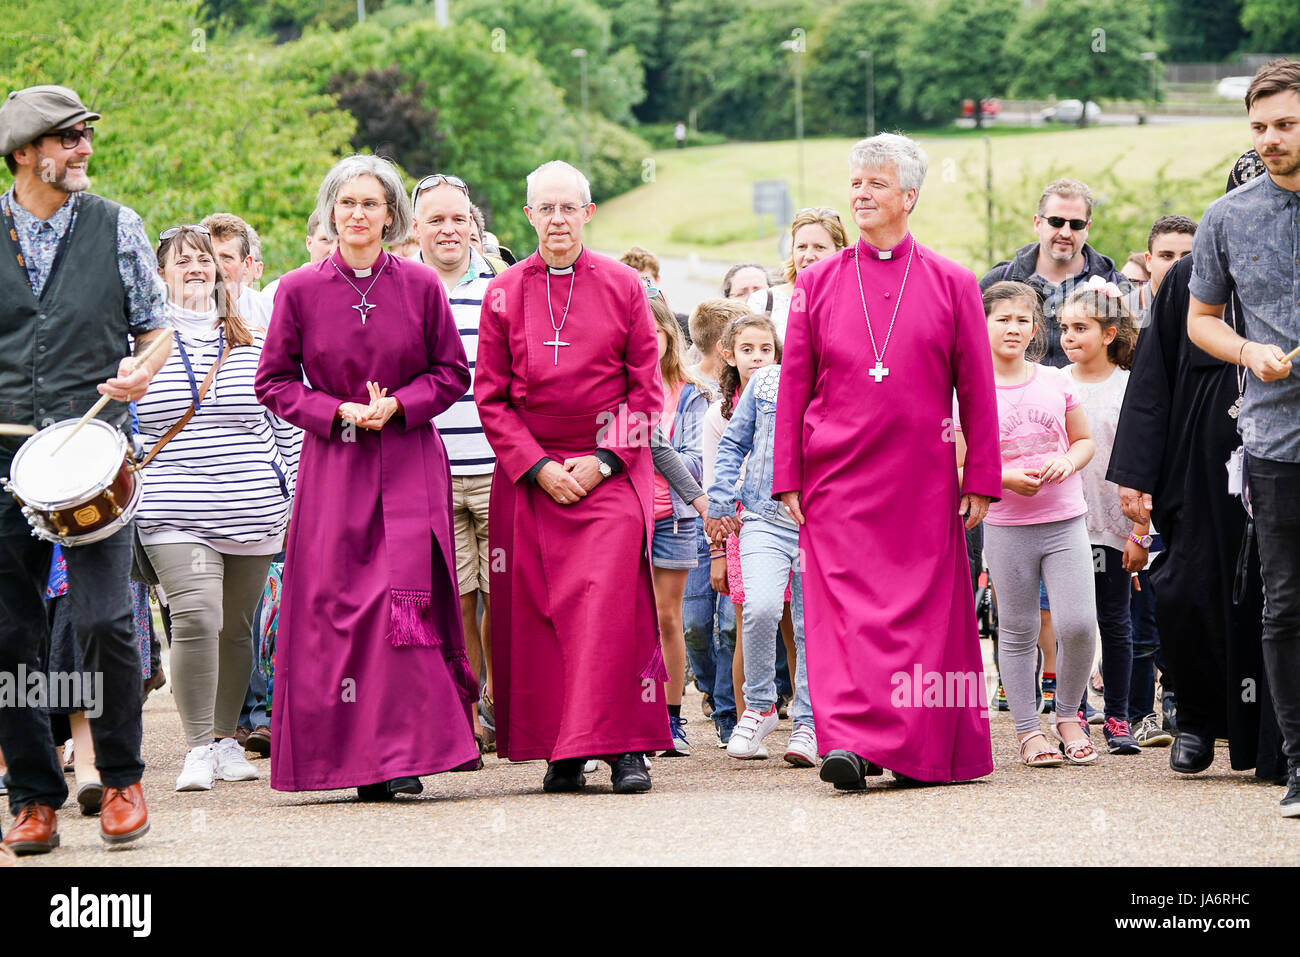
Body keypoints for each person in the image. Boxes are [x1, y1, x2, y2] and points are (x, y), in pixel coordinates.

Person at [774, 134, 1001, 787]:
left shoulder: (953, 282)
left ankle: (912, 746)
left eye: (876, 183)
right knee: (844, 615)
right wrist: (787, 473)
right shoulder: (816, 284)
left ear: (909, 195)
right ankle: (852, 742)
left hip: (922, 482)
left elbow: (976, 389)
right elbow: (794, 387)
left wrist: (980, 474)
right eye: (855, 183)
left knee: (916, 618)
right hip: (837, 478)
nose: (862, 194)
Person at [254, 154, 479, 800]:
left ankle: (400, 755)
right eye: (347, 203)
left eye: (370, 204)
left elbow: (451, 374)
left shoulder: (420, 285)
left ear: (390, 215)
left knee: (400, 606)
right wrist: (336, 410)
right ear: (331, 210)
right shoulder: (299, 289)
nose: (357, 214)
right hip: (336, 465)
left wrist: (400, 404)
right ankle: (349, 758)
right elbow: (272, 382)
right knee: (341, 610)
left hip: (408, 459)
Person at [0, 84, 170, 854]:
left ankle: (124, 778)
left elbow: (158, 329)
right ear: (27, 153)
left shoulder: (117, 225)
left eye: (86, 136)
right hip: (5, 462)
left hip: (96, 453)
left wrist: (141, 371)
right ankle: (35, 795)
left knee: (104, 618)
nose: (84, 150)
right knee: (10, 635)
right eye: (69, 138)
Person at [475, 160, 670, 795]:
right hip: (533, 474)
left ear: (588, 213)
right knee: (540, 611)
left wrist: (604, 460)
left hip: (610, 470)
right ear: (528, 215)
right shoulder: (503, 292)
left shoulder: (623, 286)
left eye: (569, 208)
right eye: (545, 209)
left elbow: (646, 392)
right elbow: (492, 399)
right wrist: (537, 467)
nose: (557, 220)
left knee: (610, 604)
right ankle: (562, 747)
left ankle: (624, 748)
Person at [1110, 151, 1284, 780]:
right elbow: (1152, 379)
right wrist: (1138, 474)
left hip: (1278, 449)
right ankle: (1197, 721)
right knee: (1185, 590)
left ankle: (1266, 737)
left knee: (1271, 597)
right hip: (1197, 462)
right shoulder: (1189, 277)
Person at [135, 224, 300, 792]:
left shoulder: (254, 339)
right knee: (197, 618)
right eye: (181, 262)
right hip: (173, 510)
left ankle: (228, 738)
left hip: (252, 508)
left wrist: (294, 493)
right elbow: (124, 430)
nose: (196, 268)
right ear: (161, 275)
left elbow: (284, 423)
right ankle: (198, 746)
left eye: (203, 259)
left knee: (236, 629)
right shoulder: (139, 348)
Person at [1185, 60, 1300, 814]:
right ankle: (1299, 763)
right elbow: (1200, 321)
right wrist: (1247, 349)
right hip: (1275, 440)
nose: (1271, 140)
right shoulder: (1226, 218)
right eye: (1259, 128)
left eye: (1286, 124)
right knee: (1285, 604)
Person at [963, 282, 1098, 766]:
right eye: (1002, 319)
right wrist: (1001, 477)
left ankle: (1067, 716)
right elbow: (958, 467)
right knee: (1017, 630)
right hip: (1005, 526)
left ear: (1035, 327)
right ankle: (1028, 731)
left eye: (1022, 319)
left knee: (1079, 624)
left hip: (1064, 522)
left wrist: (1069, 461)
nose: (1013, 327)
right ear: (982, 326)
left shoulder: (1057, 380)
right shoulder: (969, 393)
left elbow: (1084, 441)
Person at [411, 171, 498, 752]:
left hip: (499, 467)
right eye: (435, 220)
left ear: (473, 224)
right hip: (433, 470)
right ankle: (467, 707)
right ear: (414, 228)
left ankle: (501, 702)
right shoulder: (403, 289)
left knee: (507, 592)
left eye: (457, 219)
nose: (448, 229)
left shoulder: (503, 288)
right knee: (457, 595)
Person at [706, 354, 817, 767]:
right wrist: (718, 501)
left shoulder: (844, 377)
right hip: (762, 515)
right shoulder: (767, 381)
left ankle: (807, 721)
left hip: (820, 521)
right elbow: (735, 440)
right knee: (759, 607)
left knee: (810, 625)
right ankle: (760, 706)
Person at [1060, 278, 1145, 754]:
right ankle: (1070, 713)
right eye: (1065, 328)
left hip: (1114, 523)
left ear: (1110, 334)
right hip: (1066, 520)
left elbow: (1143, 459)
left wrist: (1140, 531)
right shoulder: (1054, 383)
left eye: (1081, 327)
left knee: (1115, 619)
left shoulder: (1130, 387)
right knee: (1072, 620)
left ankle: (1117, 717)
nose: (1069, 337)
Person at [702, 313, 782, 728]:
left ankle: (798, 713)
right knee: (743, 623)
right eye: (747, 350)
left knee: (791, 624)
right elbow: (717, 475)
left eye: (765, 350)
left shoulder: (790, 396)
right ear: (729, 355)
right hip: (739, 525)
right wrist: (717, 551)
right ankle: (741, 714)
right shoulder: (720, 413)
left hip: (788, 519)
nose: (757, 358)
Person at [683, 298, 750, 744]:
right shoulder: (695, 393)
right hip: (690, 519)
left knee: (732, 622)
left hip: (742, 523)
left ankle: (730, 710)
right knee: (694, 624)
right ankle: (708, 688)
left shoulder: (759, 394)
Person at [647, 290, 710, 756]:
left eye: (657, 332)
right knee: (628, 620)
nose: (649, 342)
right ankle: (633, 715)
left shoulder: (691, 395)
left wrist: (648, 447)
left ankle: (671, 719)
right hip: (625, 516)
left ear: (671, 334)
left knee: (668, 617)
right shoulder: (614, 387)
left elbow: (694, 463)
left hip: (675, 518)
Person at [979, 178, 1131, 366]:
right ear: (1037, 223)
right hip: (1016, 393)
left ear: (1087, 228)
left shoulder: (1116, 286)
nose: (1065, 233)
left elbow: (1132, 357)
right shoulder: (1001, 279)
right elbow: (967, 341)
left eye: (1076, 224)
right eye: (1056, 222)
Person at [750, 207, 849, 339]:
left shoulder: (853, 301)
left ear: (839, 253)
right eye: (801, 247)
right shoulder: (763, 301)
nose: (808, 256)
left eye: (819, 247)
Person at [201, 213, 273, 328]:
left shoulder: (269, 312)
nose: (217, 266)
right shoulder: (183, 313)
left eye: (226, 257)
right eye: (209, 258)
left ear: (247, 265)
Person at [261, 210, 336, 300]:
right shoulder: (275, 292)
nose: (333, 250)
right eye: (326, 240)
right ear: (309, 243)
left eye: (341, 242)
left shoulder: (355, 293)